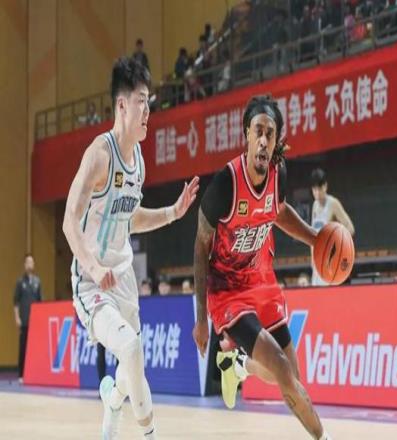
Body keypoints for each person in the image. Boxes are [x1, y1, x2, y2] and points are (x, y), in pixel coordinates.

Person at [63, 56, 199, 440]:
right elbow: (69, 220)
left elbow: (130, 218)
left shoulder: (137, 161)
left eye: (149, 102)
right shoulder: (99, 155)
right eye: (141, 102)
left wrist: (172, 212)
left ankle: (112, 399)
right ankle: (150, 433)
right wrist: (93, 267)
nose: (148, 112)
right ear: (122, 106)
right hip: (92, 282)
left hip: (123, 279)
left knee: (131, 364)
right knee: (132, 347)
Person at [192, 95, 332, 440]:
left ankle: (238, 365)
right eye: (258, 131)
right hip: (227, 292)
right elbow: (200, 246)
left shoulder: (277, 174)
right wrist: (201, 318)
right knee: (281, 368)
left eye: (271, 133)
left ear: (276, 140)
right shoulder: (226, 183)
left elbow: (278, 211)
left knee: (292, 376)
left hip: (260, 278)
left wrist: (315, 239)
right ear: (246, 134)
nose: (264, 140)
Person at [310, 167, 355, 286]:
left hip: (330, 261)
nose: (317, 193)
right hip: (317, 262)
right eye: (314, 189)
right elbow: (313, 235)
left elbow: (350, 228)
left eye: (319, 189)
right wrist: (312, 260)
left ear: (325, 186)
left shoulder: (333, 203)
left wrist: (337, 244)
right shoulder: (315, 205)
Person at [13, 254, 42, 383]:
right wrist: (17, 318)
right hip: (24, 320)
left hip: (35, 321)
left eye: (31, 262)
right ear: (25, 265)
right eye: (28, 262)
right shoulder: (20, 282)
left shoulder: (37, 282)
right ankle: (21, 374)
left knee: (35, 348)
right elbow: (15, 302)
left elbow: (40, 302)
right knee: (23, 347)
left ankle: (34, 373)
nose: (30, 264)